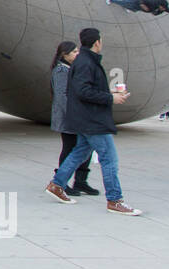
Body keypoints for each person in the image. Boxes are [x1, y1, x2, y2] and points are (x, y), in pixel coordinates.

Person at [46, 28, 142, 215]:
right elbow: (83, 92)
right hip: (92, 119)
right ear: (97, 42)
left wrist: (111, 94)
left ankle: (57, 185)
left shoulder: (84, 61)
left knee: (79, 153)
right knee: (109, 158)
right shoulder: (85, 63)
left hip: (86, 118)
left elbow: (85, 89)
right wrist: (110, 98)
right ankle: (115, 200)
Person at [50, 41, 97, 195]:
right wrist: (73, 114)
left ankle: (81, 181)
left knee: (85, 148)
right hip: (68, 117)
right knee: (69, 148)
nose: (78, 54)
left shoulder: (72, 69)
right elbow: (61, 96)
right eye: (74, 52)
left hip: (79, 115)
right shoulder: (61, 71)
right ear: (65, 54)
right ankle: (61, 182)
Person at [105, 0, 169, 19]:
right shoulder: (153, 1)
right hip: (136, 2)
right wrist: (142, 5)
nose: (164, 10)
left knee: (133, 9)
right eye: (163, 8)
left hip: (139, 8)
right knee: (123, 2)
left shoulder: (164, 8)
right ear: (160, 6)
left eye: (164, 9)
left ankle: (128, 8)